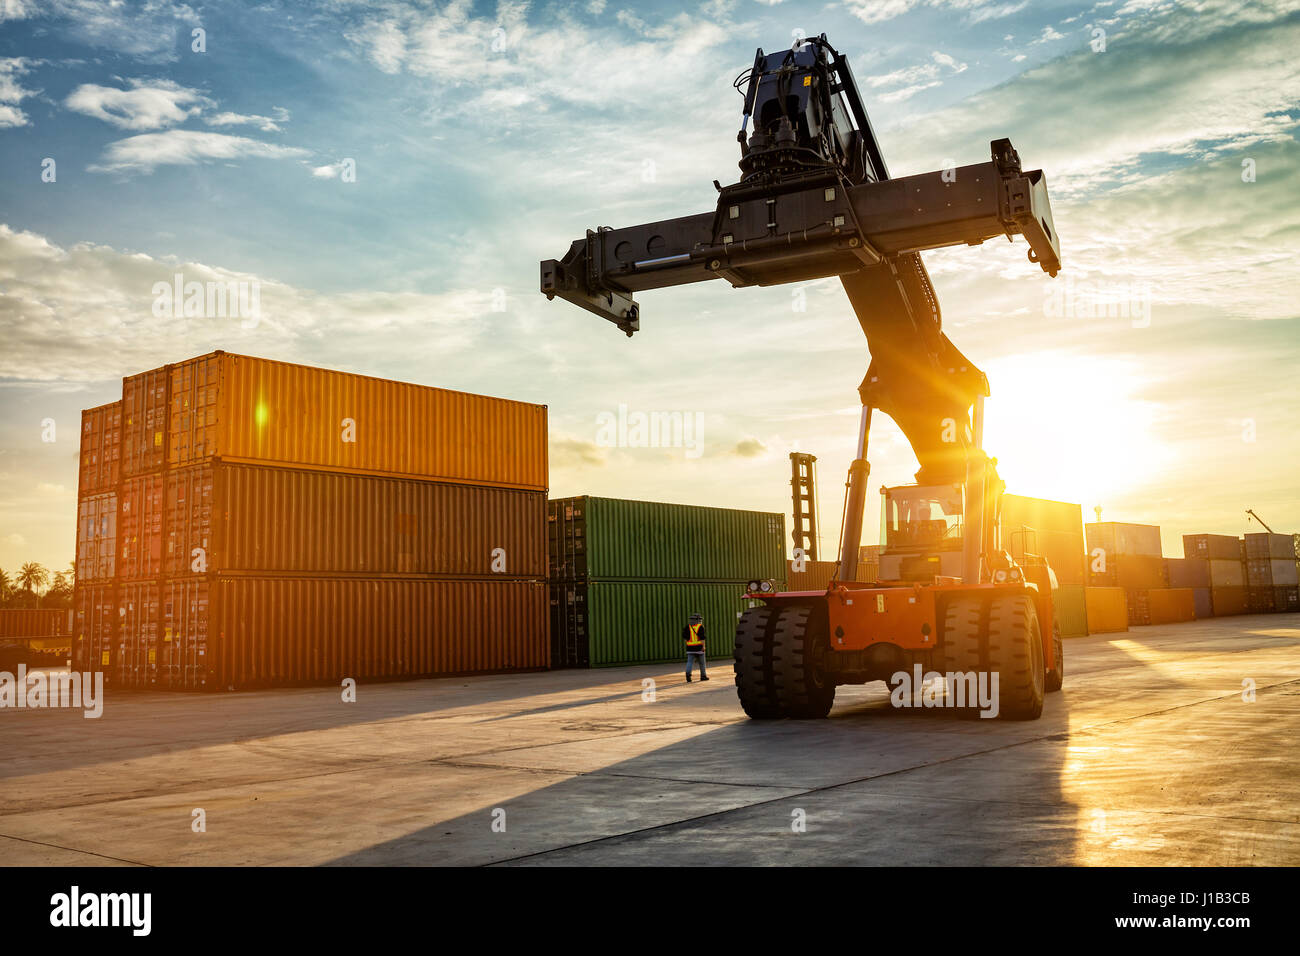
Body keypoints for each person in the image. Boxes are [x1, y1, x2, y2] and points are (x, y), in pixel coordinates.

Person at [683, 612, 709, 682]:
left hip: (690, 648)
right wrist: (703, 646)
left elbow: (685, 638)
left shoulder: (687, 627)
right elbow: (702, 638)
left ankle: (688, 675)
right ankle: (703, 676)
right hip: (699, 648)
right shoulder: (700, 627)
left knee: (690, 662)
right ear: (698, 620)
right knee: (702, 663)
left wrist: (689, 644)